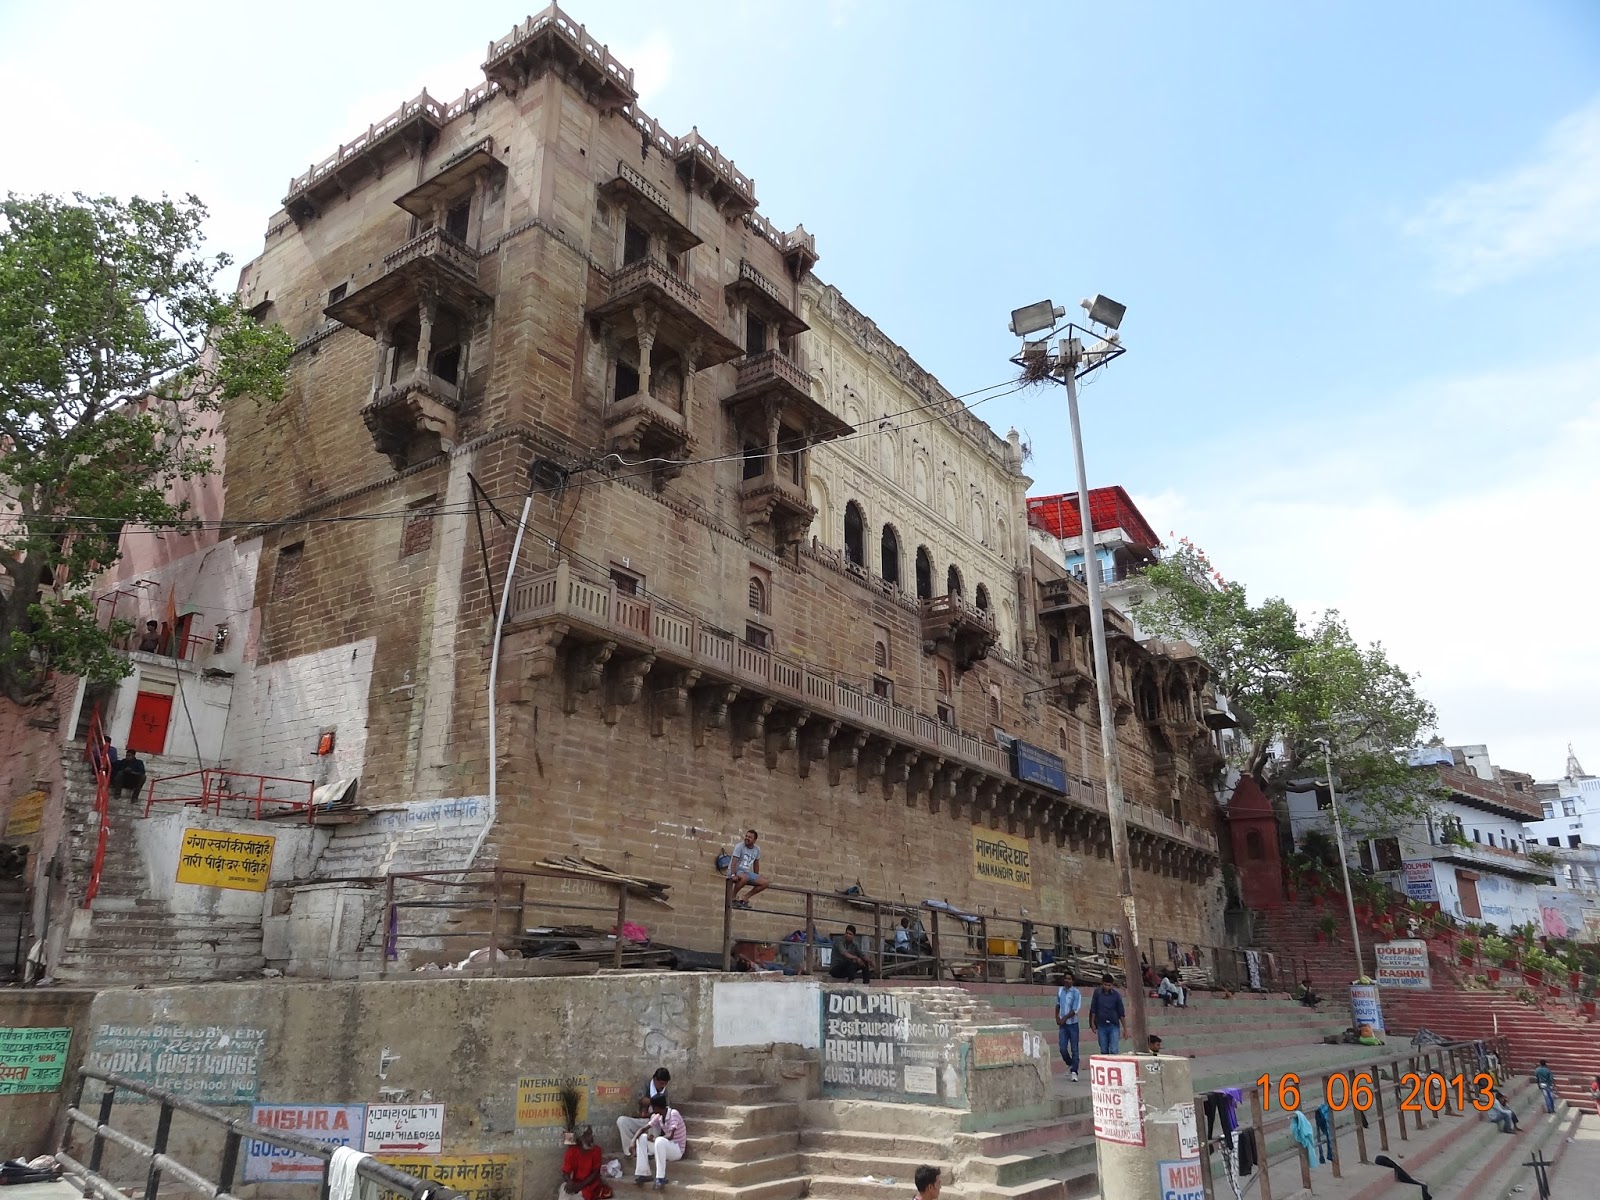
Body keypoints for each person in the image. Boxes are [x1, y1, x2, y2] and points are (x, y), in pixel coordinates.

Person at [632, 1095, 686, 1187]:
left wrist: (655, 1140)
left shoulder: (673, 1114)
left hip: (677, 1150)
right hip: (666, 1147)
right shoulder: (659, 1116)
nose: (651, 1109)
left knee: (660, 1140)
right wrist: (633, 1141)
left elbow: (670, 1135)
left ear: (656, 1107)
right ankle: (644, 1173)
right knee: (642, 1138)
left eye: (652, 1106)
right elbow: (643, 1129)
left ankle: (660, 1178)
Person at [617, 1068, 671, 1149]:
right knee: (621, 1121)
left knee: (655, 1118)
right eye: (661, 1083)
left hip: (655, 1124)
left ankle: (650, 1152)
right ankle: (630, 1151)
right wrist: (653, 1102)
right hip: (642, 1121)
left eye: (665, 1084)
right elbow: (641, 1100)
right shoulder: (645, 1085)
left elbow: (664, 1112)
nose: (663, 1086)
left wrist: (651, 1111)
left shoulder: (664, 1091)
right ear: (655, 1079)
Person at [561, 1126, 612, 1200]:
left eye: (591, 1134)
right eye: (588, 1135)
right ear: (580, 1138)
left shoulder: (596, 1150)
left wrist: (581, 1185)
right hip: (575, 1182)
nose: (591, 1137)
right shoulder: (571, 1151)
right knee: (564, 1191)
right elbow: (566, 1172)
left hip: (589, 1184)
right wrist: (569, 1182)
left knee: (581, 1196)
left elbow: (595, 1173)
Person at [726, 829, 768, 910]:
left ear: (755, 840)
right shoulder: (740, 846)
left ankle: (746, 897)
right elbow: (734, 861)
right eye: (746, 836)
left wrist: (756, 876)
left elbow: (756, 863)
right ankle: (733, 897)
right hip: (735, 870)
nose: (747, 838)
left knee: (765, 883)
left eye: (750, 837)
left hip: (746, 872)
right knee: (744, 878)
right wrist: (733, 874)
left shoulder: (757, 849)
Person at [1089, 973, 1126, 1055]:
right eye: (1105, 985)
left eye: (1109, 985)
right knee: (1103, 1050)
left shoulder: (1116, 995)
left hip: (1113, 1025)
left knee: (1114, 1050)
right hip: (1101, 1025)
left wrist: (1125, 1029)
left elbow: (1121, 1012)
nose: (1107, 987)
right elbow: (1093, 1008)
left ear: (1112, 985)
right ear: (1102, 983)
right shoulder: (1097, 993)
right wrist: (1092, 1023)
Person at [1055, 974, 1082, 1082]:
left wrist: (1064, 1018)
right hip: (1063, 1025)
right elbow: (1057, 1005)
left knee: (1074, 1048)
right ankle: (1070, 1064)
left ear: (1073, 981)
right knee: (1062, 1048)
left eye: (1069, 979)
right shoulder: (1060, 991)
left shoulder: (1076, 993)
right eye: (1066, 978)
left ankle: (1074, 1071)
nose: (1067, 980)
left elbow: (1075, 1010)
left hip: (1073, 1024)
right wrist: (1057, 1017)